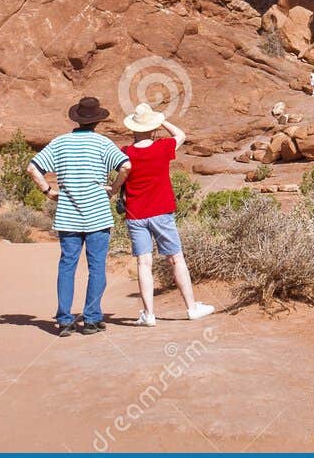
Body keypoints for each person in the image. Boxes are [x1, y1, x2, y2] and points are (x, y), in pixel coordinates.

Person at [26, 95, 129, 336]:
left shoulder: (60, 143)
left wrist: (49, 191)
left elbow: (33, 168)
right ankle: (91, 319)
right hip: (98, 215)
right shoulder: (103, 143)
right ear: (97, 121)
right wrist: (113, 189)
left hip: (68, 215)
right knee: (96, 267)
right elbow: (126, 166)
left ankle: (64, 320)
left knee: (67, 266)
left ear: (77, 118)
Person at [119, 101, 213, 327]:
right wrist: (162, 121)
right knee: (175, 258)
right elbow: (181, 135)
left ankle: (148, 314)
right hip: (161, 211)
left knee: (144, 263)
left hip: (136, 214)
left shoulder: (125, 153)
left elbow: (119, 176)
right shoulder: (162, 147)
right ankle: (191, 308)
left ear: (133, 128)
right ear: (152, 127)